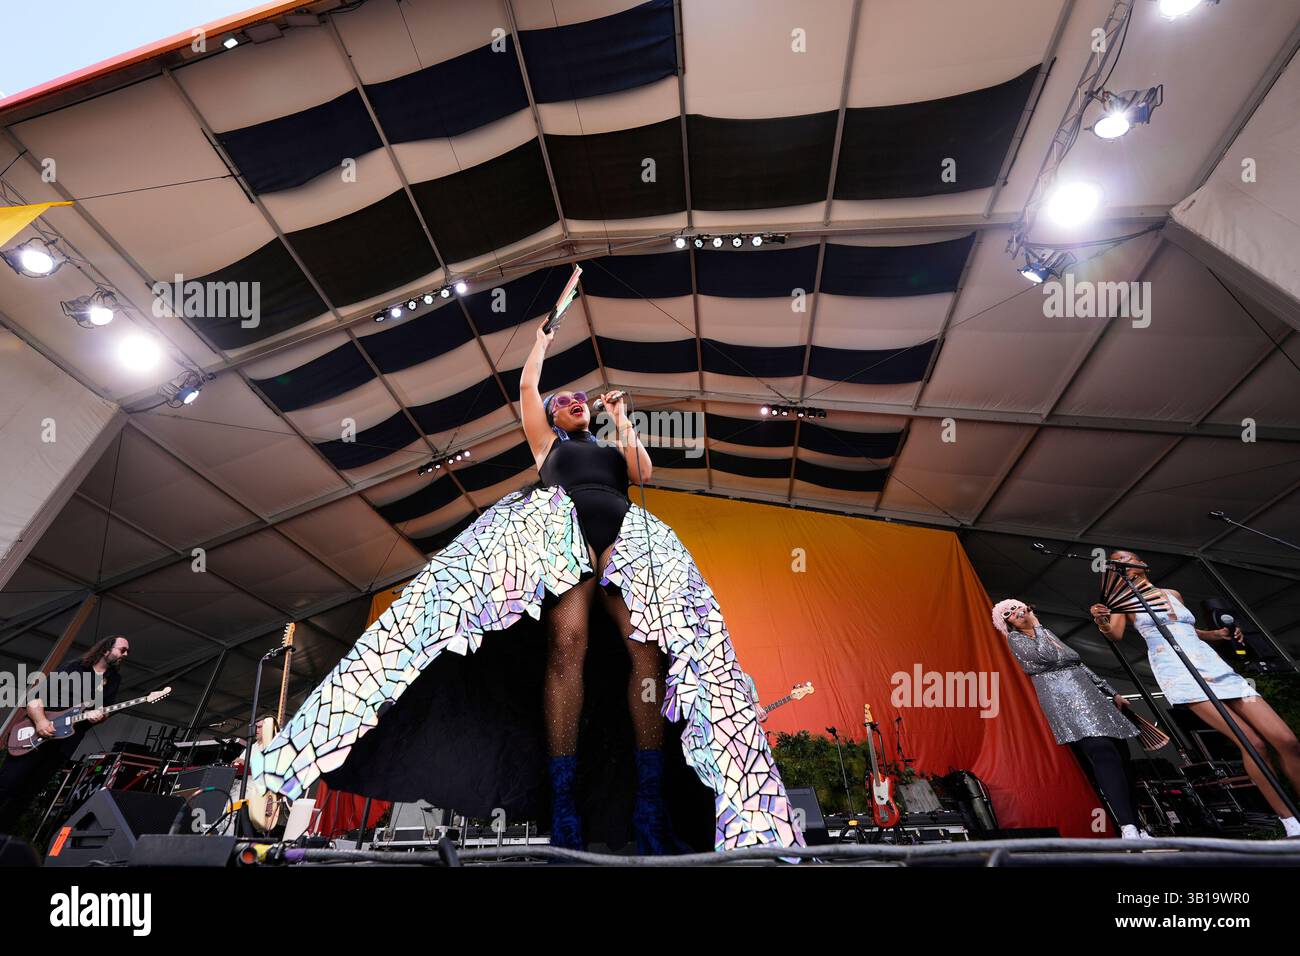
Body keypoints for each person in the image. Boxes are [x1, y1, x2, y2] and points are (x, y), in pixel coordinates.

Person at [251, 318, 802, 855]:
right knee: (566, 650)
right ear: (552, 415)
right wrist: (540, 344)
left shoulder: (609, 447)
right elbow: (526, 388)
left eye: (581, 398)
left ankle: (652, 803)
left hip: (625, 535)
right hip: (557, 536)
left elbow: (646, 473)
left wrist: (621, 417)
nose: (574, 401)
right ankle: (563, 805)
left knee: (651, 657)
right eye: (564, 400)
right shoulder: (548, 446)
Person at [1091, 551, 1300, 838]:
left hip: (1214, 664)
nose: (1120, 562)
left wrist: (1218, 635)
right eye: (1115, 562)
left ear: (1140, 563)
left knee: (1286, 740)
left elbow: (1187, 629)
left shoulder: (1172, 593)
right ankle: (1291, 823)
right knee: (1252, 742)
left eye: (1126, 557)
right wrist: (1102, 620)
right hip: (1178, 671)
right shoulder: (1121, 602)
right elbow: (1113, 635)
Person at [993, 600, 1148, 839]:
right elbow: (1047, 657)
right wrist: (1037, 625)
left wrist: (1112, 692)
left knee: (1122, 758)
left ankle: (1138, 827)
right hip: (1064, 700)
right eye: (1008, 614)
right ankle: (1127, 827)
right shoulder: (1017, 640)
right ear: (1007, 624)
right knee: (1102, 752)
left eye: (1016, 607)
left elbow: (1078, 663)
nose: (1016, 613)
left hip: (1092, 698)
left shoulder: (1045, 632)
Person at [0, 636, 128, 835]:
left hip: (64, 745)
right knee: (6, 784)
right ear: (106, 650)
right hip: (36, 735)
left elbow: (103, 711)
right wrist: (41, 721)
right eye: (123, 650)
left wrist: (99, 716)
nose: (125, 654)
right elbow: (34, 698)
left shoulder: (113, 680)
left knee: (25, 797)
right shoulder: (74, 667)